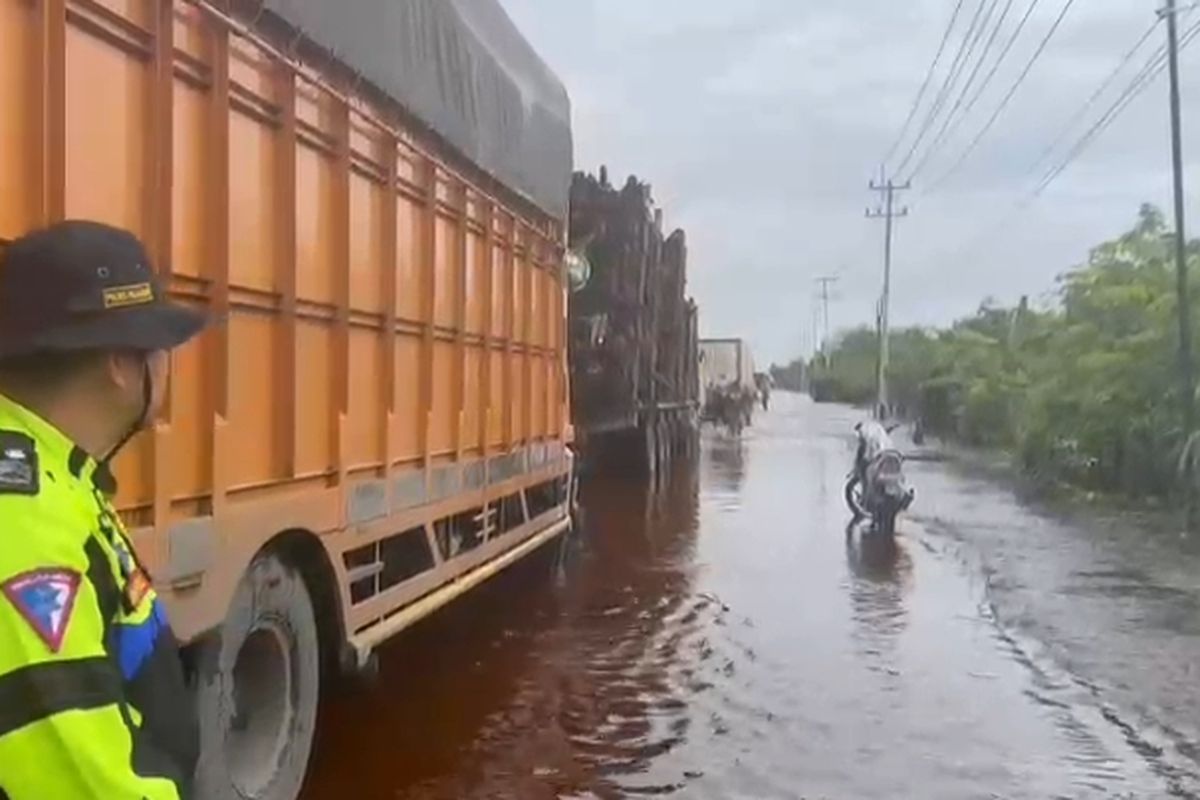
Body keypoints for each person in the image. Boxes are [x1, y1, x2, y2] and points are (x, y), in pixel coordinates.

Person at [0, 221, 207, 799]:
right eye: (162, 347)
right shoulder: (23, 521)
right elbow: (84, 783)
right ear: (121, 361)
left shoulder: (57, 472)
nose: (168, 368)